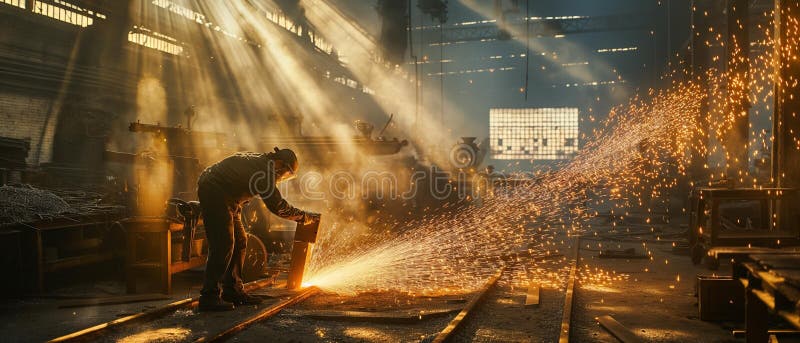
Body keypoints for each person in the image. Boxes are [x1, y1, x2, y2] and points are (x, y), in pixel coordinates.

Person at [196, 148, 320, 311]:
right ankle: (209, 297)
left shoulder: (263, 162)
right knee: (224, 243)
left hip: (228, 197)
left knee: (240, 241)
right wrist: (304, 217)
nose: (282, 178)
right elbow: (278, 206)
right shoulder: (265, 172)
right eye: (285, 174)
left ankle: (233, 291)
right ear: (281, 165)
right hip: (214, 191)